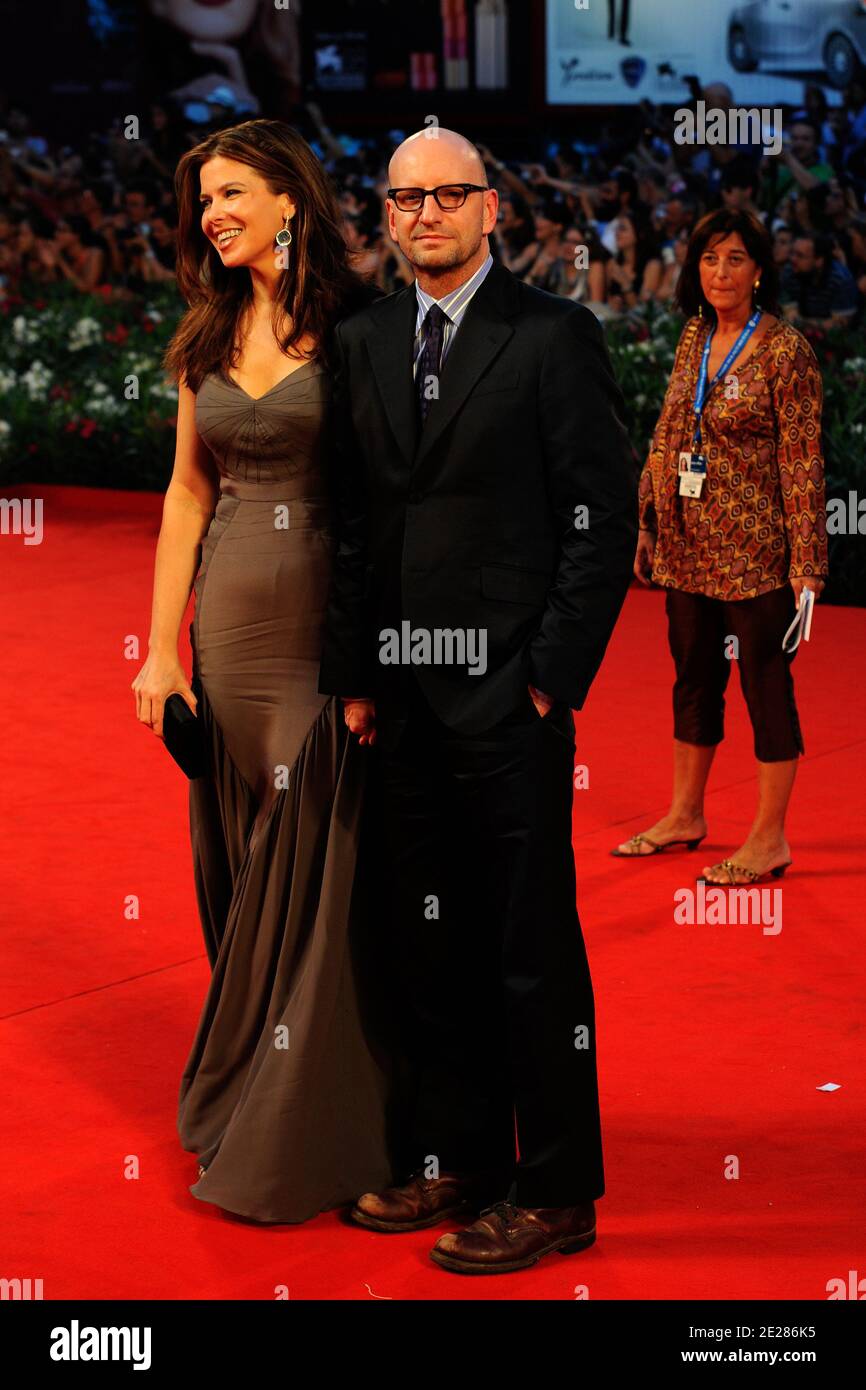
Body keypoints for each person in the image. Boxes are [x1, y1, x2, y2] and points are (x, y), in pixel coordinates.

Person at [318, 127, 637, 1273]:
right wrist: (354, 674)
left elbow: (600, 526)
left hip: (510, 702)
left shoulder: (553, 338)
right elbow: (355, 526)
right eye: (405, 198)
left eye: (448, 195)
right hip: (396, 702)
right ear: (387, 214)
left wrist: (550, 679)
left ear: (492, 209)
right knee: (427, 943)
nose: (425, 214)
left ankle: (554, 1190)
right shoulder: (361, 341)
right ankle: (459, 1159)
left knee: (526, 948)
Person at [131, 118, 398, 1223]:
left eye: (232, 192)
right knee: (249, 851)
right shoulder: (202, 334)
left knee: (322, 859)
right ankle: (256, 1081)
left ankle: (324, 1122)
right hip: (227, 631)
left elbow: (388, 497)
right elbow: (187, 495)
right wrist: (157, 650)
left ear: (290, 200)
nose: (212, 214)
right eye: (203, 201)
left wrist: (377, 649)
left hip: (320, 626)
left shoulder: (356, 326)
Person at [613, 209, 828, 884]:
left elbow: (802, 460)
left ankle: (769, 840)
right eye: (709, 259)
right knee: (693, 678)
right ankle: (686, 814)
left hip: (757, 549)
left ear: (759, 270)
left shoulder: (785, 351)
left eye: (735, 259)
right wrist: (647, 520)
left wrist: (809, 564)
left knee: (766, 683)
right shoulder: (695, 336)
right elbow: (668, 427)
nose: (720, 272)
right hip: (686, 545)